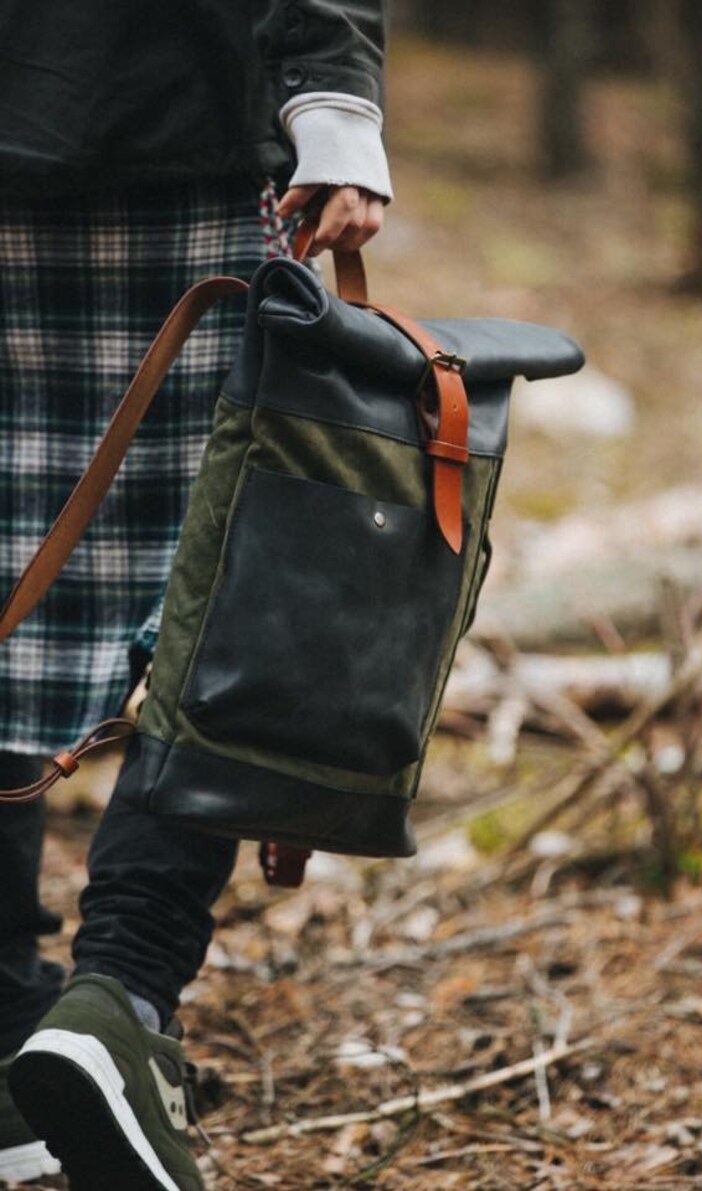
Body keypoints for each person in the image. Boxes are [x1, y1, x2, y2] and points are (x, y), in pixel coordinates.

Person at [0, 3, 391, 1187]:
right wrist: (334, 107)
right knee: (222, 594)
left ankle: (15, 1036)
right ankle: (114, 1005)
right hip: (177, 134)